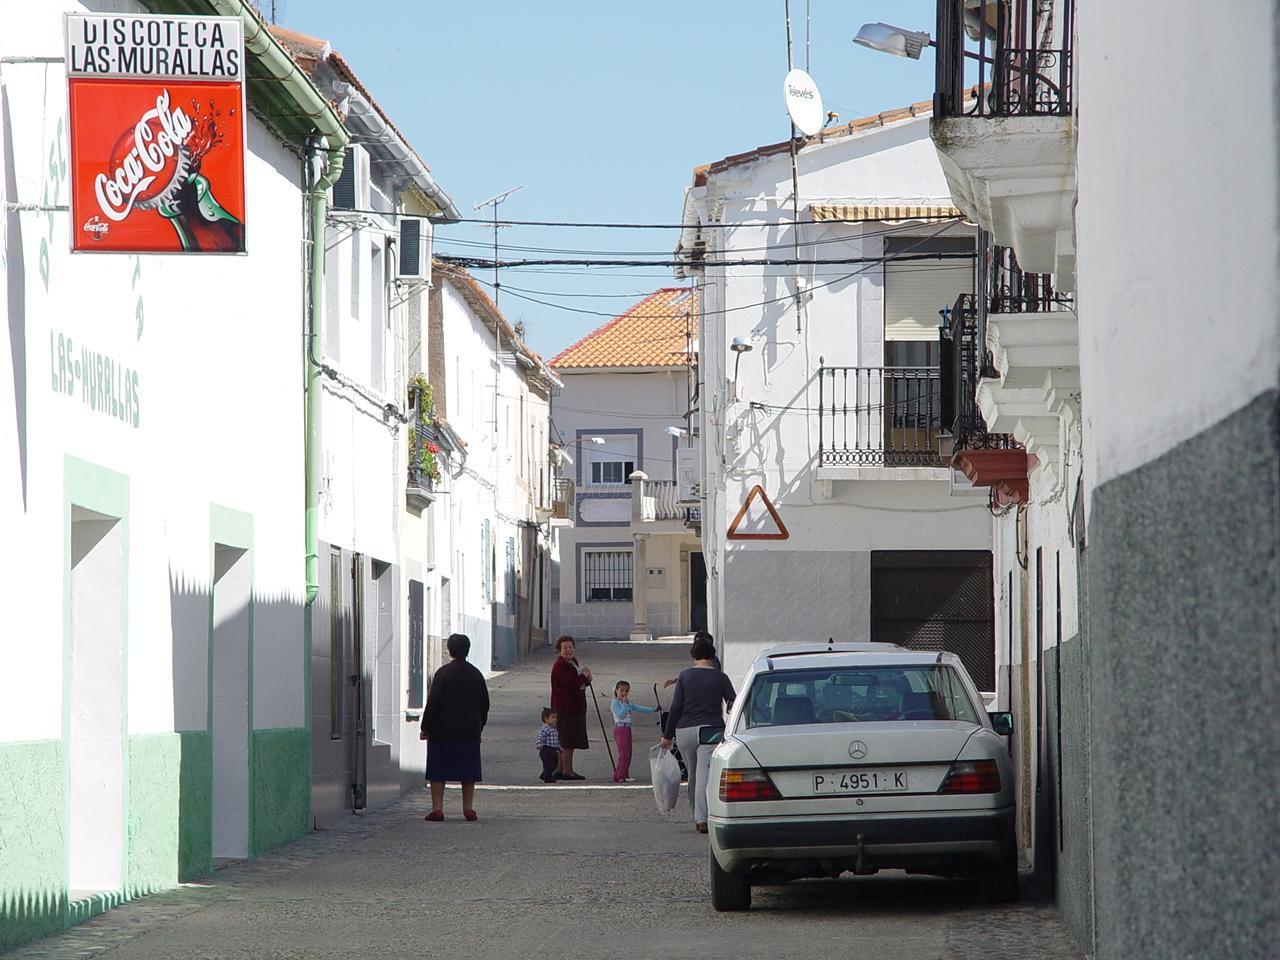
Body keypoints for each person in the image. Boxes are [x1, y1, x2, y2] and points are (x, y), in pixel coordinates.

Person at [660, 634, 736, 833]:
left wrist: (667, 735)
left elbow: (676, 707)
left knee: (692, 774)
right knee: (704, 774)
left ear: (693, 656)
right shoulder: (720, 677)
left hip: (684, 730)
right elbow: (733, 702)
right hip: (711, 730)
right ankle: (702, 817)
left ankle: (696, 814)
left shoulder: (684, 676)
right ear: (713, 656)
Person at [420, 633, 490, 822]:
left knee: (438, 770)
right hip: (469, 730)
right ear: (468, 650)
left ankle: (437, 808)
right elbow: (485, 704)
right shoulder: (476, 674)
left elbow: (434, 702)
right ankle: (468, 808)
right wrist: (479, 725)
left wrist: (426, 726)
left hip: (442, 730)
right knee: (468, 771)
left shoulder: (443, 673)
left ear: (449, 650)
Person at [549, 635, 592, 780]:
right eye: (565, 648)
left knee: (568, 741)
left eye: (570, 647)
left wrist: (587, 679)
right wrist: (584, 676)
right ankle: (567, 771)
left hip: (574, 708)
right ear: (559, 650)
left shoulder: (572, 662)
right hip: (565, 709)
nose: (568, 650)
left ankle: (561, 770)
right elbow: (571, 684)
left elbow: (578, 683)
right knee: (567, 742)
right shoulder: (560, 665)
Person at [610, 680, 656, 783]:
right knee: (623, 753)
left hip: (627, 728)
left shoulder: (627, 702)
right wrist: (625, 705)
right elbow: (621, 715)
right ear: (616, 690)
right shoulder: (615, 703)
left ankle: (622, 774)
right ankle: (621, 775)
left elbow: (638, 708)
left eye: (626, 691)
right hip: (620, 728)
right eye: (621, 690)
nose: (624, 693)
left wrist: (652, 710)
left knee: (628, 753)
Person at [536, 708, 561, 784]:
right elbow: (540, 737)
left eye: (556, 717)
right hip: (546, 750)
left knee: (555, 764)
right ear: (546, 719)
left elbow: (555, 740)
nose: (555, 719)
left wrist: (559, 748)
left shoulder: (553, 729)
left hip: (553, 750)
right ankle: (548, 778)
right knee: (549, 764)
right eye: (552, 717)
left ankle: (544, 774)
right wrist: (539, 744)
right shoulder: (546, 728)